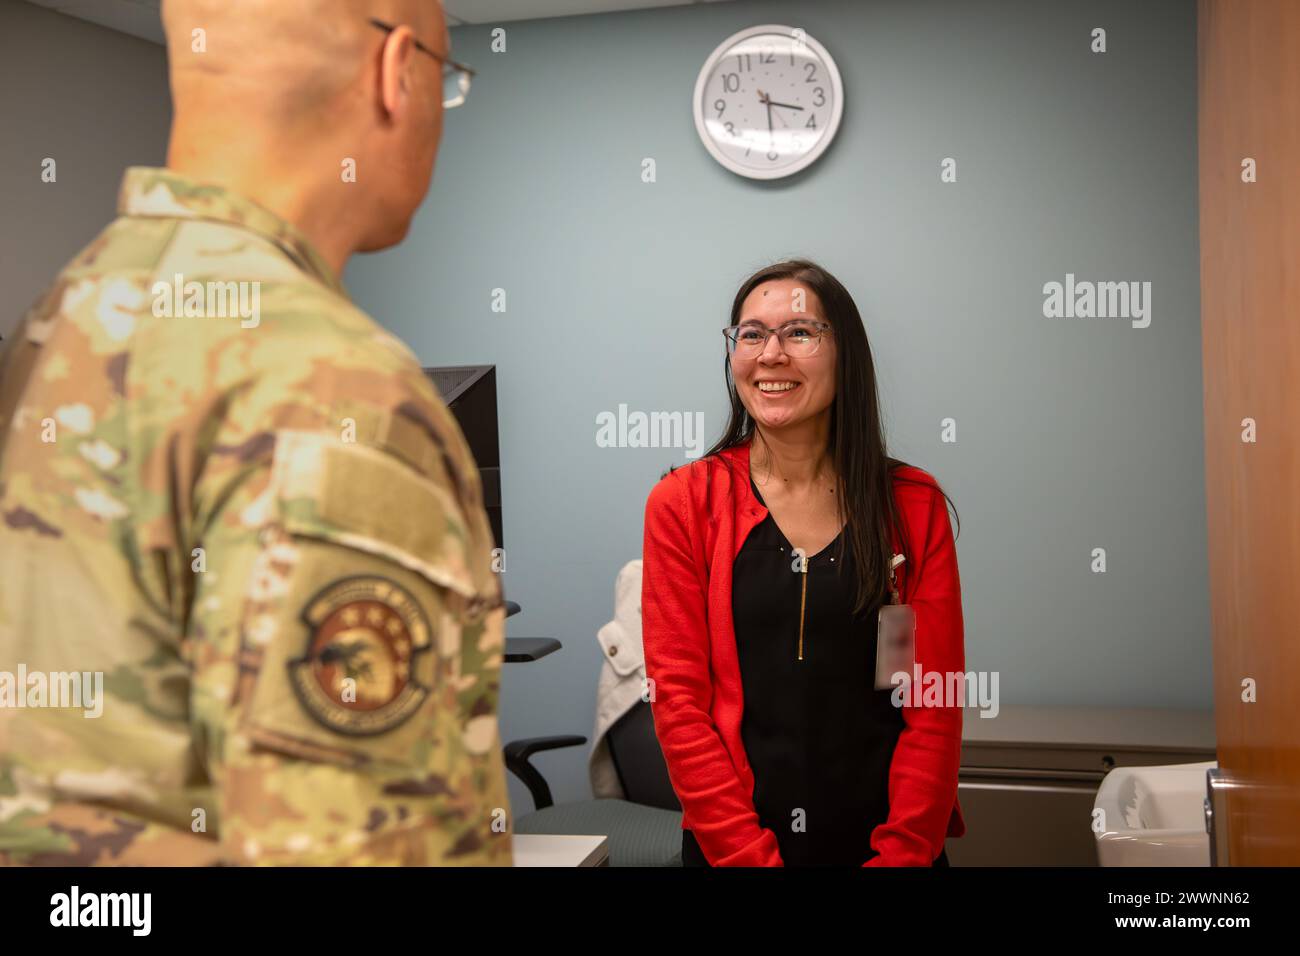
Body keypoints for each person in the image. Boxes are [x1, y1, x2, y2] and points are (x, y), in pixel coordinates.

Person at [0, 0, 511, 865]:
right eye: (444, 80)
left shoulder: (68, 318)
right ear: (394, 72)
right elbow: (343, 847)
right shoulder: (330, 389)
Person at [641, 259, 967, 866]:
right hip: (734, 849)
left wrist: (902, 855)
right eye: (752, 334)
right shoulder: (686, 503)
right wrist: (746, 858)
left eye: (800, 332)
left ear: (847, 353)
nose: (771, 354)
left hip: (885, 845)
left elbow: (927, 700)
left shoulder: (909, 506)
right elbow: (679, 704)